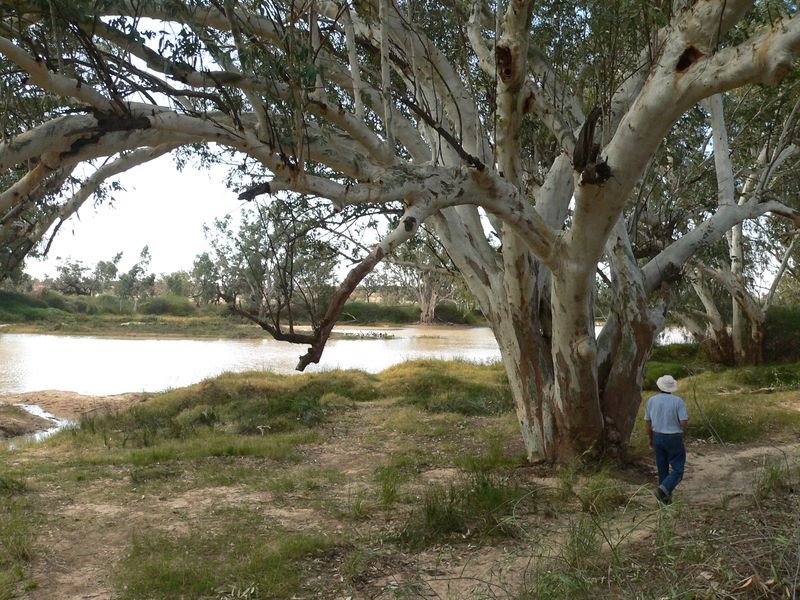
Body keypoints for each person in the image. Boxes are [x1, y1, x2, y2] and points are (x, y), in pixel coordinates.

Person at [645, 374, 689, 504]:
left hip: (657, 435)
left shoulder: (651, 400)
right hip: (673, 436)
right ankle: (663, 489)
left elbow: (648, 421)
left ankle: (665, 501)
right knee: (678, 469)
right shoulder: (678, 401)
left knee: (662, 467)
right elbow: (683, 422)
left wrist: (650, 437)